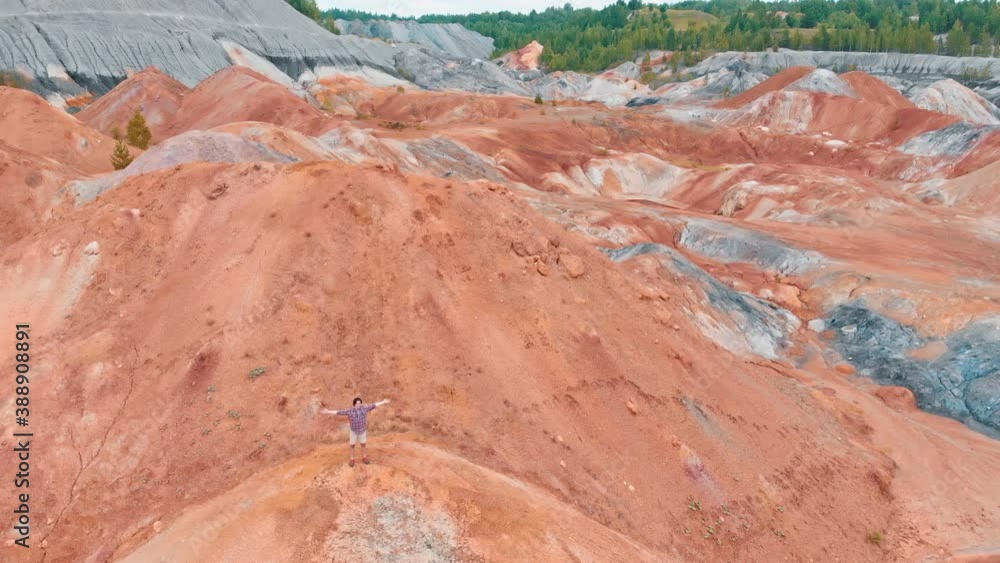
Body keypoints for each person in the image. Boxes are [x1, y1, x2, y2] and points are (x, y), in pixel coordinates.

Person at [321, 397, 390, 466]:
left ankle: (364, 457)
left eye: (360, 403)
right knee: (352, 445)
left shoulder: (364, 409)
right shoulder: (349, 411)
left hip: (362, 431)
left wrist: (383, 402)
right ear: (354, 404)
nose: (359, 405)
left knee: (363, 444)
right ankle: (352, 459)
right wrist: (328, 411)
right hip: (353, 431)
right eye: (357, 404)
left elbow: (373, 405)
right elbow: (339, 412)